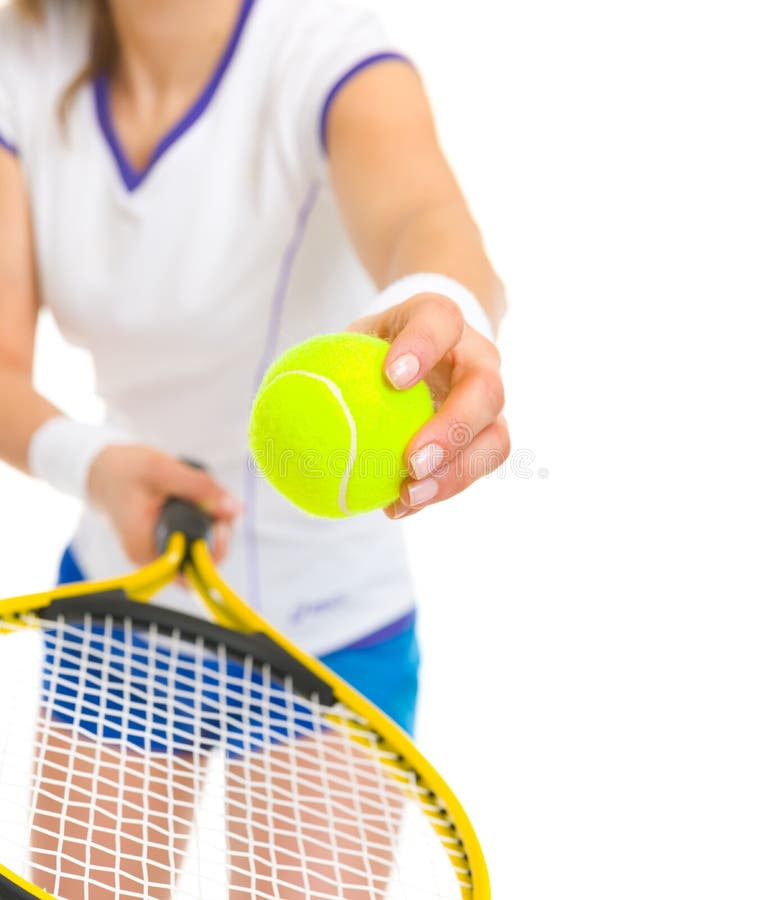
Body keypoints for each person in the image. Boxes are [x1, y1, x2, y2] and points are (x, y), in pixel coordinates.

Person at [0, 0, 508, 895]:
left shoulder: (328, 49)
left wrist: (441, 307)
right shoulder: (21, 56)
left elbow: (423, 213)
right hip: (125, 598)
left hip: (331, 635)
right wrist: (95, 465)